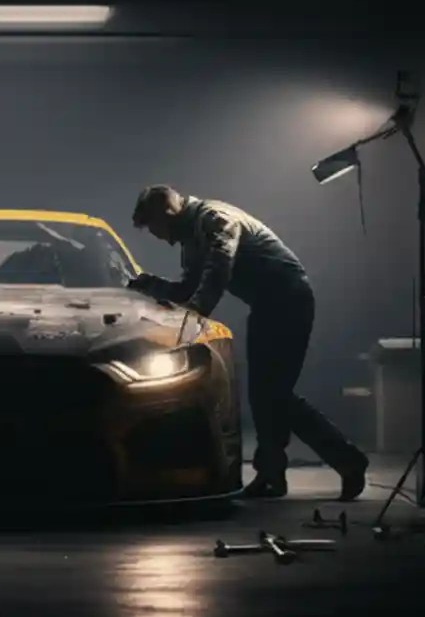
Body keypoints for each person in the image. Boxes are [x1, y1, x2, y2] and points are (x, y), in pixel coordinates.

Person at [128, 184, 368, 500]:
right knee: (265, 394)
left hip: (289, 300)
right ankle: (274, 474)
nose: (157, 236)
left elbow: (219, 268)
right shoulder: (192, 239)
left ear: (167, 214)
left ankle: (345, 460)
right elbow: (190, 288)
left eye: (154, 228)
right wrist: (152, 286)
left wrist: (194, 316)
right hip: (269, 304)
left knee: (274, 394)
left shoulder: (215, 219)